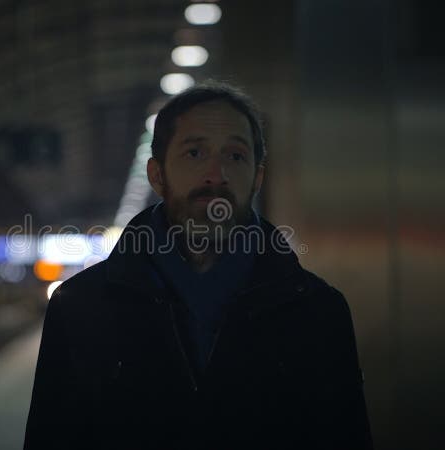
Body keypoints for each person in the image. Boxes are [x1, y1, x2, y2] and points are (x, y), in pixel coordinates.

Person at [23, 81, 372, 449]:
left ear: (257, 178)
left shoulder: (317, 311)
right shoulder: (80, 307)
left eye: (235, 156)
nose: (215, 174)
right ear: (157, 176)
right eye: (194, 154)